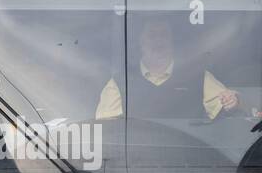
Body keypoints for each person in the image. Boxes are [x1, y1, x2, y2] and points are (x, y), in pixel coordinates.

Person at [94, 21, 240, 121]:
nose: (158, 40)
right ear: (141, 42)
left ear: (171, 41)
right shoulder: (120, 82)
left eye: (163, 34)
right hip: (137, 162)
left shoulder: (198, 76)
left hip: (189, 162)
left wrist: (232, 101)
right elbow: (107, 128)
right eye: (152, 35)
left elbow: (228, 104)